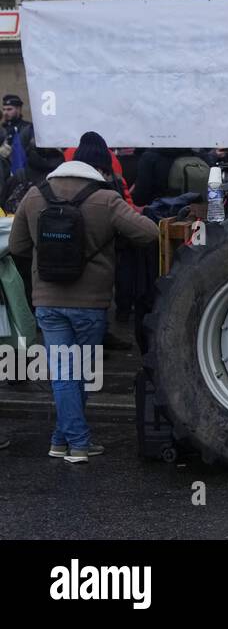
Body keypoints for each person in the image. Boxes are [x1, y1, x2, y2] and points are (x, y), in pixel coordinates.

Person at [7, 132, 158, 462]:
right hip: (90, 304)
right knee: (78, 374)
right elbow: (148, 233)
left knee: (64, 373)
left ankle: (61, 440)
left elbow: (17, 247)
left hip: (46, 301)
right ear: (101, 170)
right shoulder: (106, 199)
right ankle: (78, 443)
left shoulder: (35, 195)